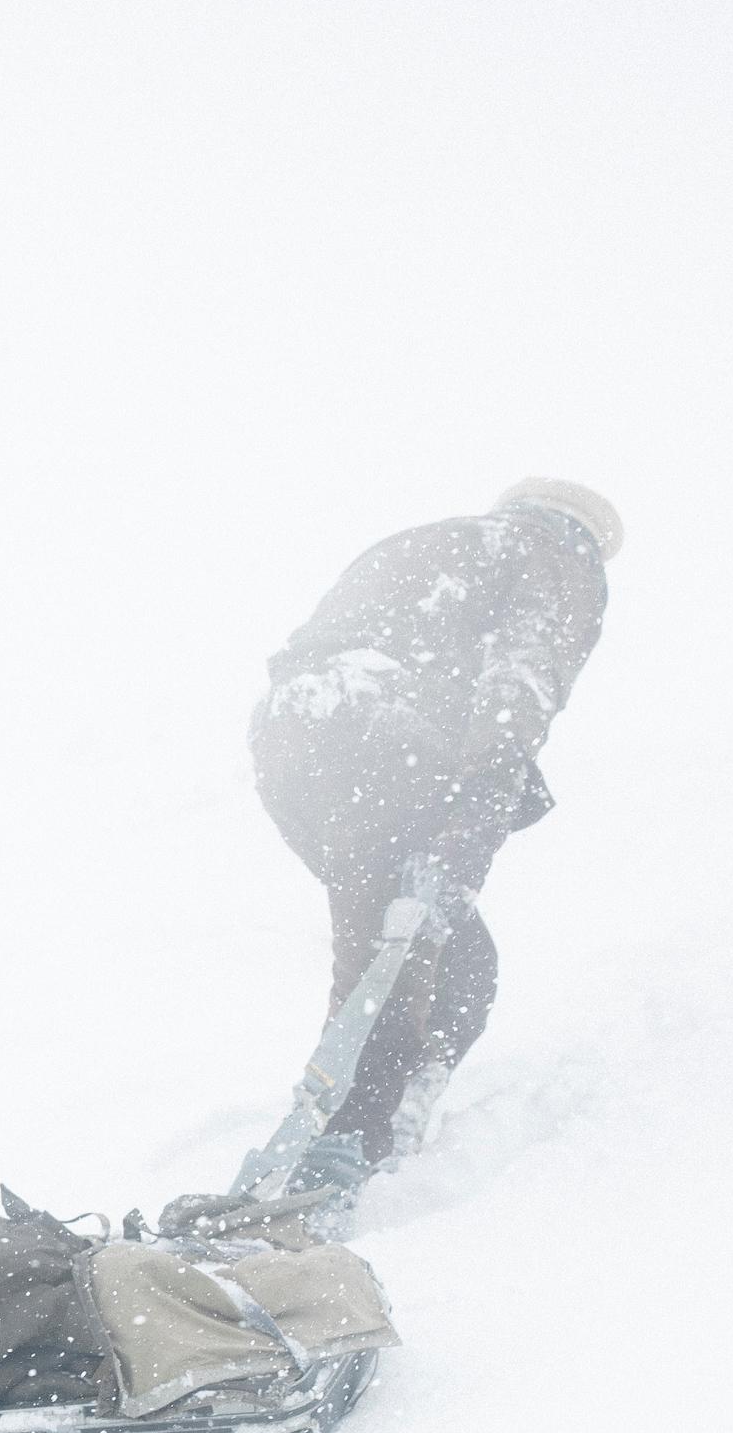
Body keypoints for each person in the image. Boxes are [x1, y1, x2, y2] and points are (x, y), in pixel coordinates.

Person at [249, 478, 617, 1186]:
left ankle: (370, 1126)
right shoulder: (554, 551)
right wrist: (488, 787)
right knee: (410, 953)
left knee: (439, 960)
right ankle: (339, 1159)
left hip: (289, 739)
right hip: (391, 734)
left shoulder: (437, 540)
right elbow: (523, 671)